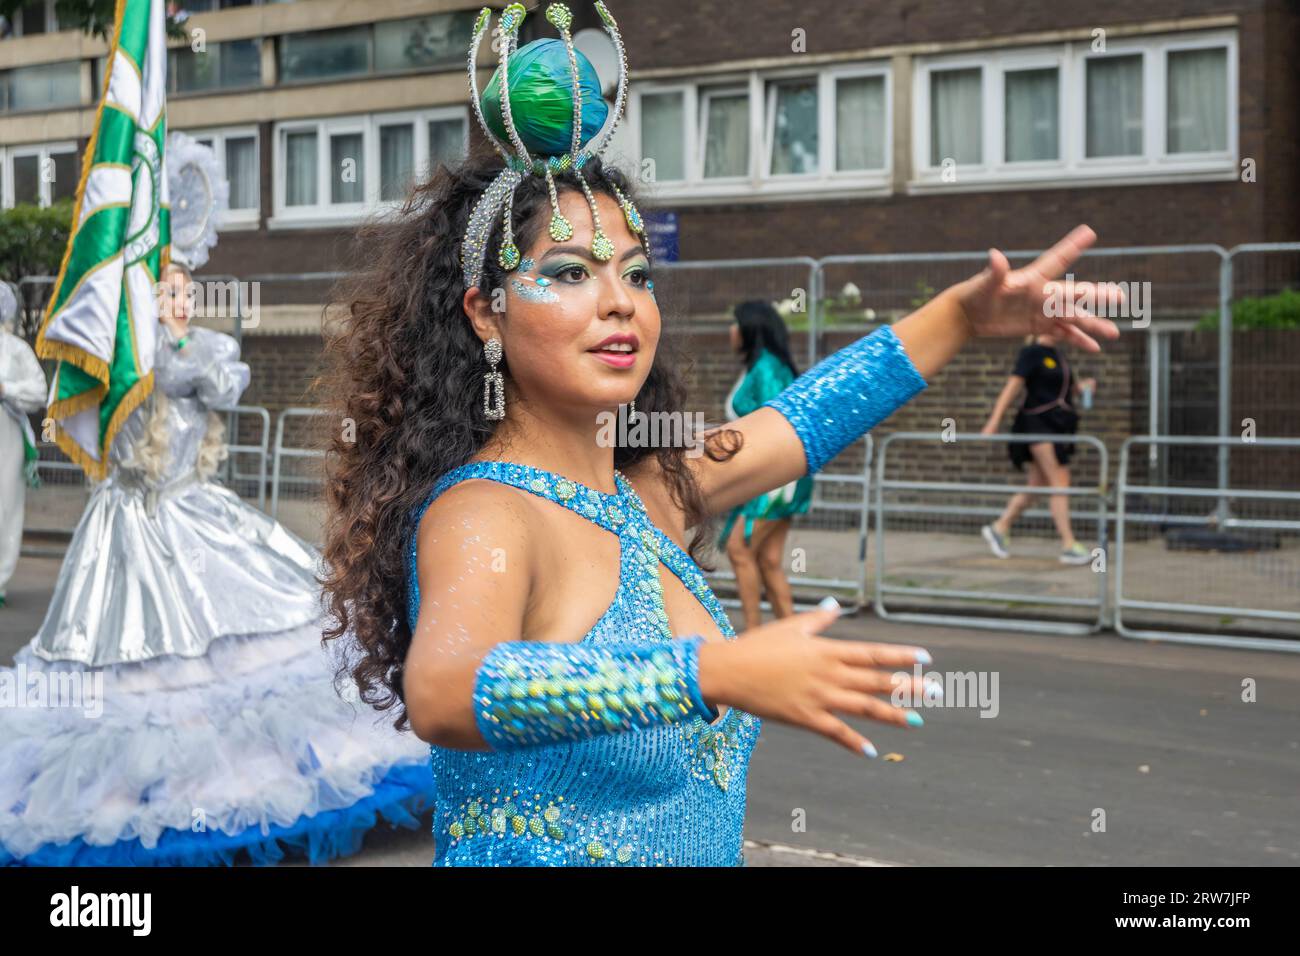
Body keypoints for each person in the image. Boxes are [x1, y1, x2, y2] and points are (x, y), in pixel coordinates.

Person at [318, 3, 1120, 868]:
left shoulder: (645, 498)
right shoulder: (485, 513)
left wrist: (961, 315)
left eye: (635, 272)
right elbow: (446, 689)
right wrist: (706, 673)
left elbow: (804, 418)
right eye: (569, 273)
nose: (619, 300)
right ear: (486, 312)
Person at [0, 260, 434, 866]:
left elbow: (213, 383)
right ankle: (148, 796)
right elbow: (118, 425)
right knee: (139, 672)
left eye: (185, 290)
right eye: (166, 291)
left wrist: (179, 345)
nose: (181, 300)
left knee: (262, 633)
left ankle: (256, 780)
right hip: (130, 525)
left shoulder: (201, 350)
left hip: (197, 511)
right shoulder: (125, 364)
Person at [717, 300, 814, 630]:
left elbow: (781, 426)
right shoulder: (760, 366)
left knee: (739, 549)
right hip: (772, 474)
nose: (730, 330)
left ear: (750, 328)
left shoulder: (768, 369)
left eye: (735, 322)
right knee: (769, 560)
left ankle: (752, 638)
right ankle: (796, 640)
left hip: (776, 477)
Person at [980, 330, 1098, 565]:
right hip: (1037, 425)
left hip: (1057, 425)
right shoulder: (1031, 353)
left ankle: (1000, 527)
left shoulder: (1058, 355)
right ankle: (1068, 545)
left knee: (1038, 484)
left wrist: (1082, 387)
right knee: (1060, 480)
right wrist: (994, 421)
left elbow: (1062, 392)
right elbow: (1012, 387)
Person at [0, 291, 46, 608]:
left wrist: (7, 389)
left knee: (5, 505)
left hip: (7, 434)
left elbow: (38, 390)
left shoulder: (16, 350)